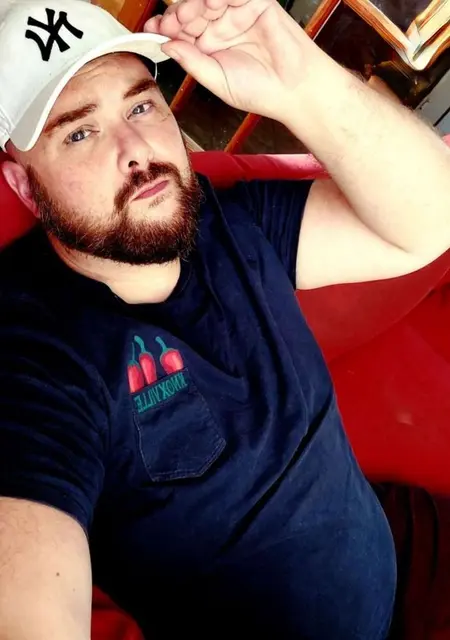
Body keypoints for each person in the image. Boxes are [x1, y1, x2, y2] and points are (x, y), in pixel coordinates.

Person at [0, 0, 448, 637]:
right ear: (24, 187)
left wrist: (301, 81)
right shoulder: (33, 355)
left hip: (404, 559)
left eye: (140, 106)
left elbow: (431, 218)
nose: (137, 152)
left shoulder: (228, 219)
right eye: (79, 133)